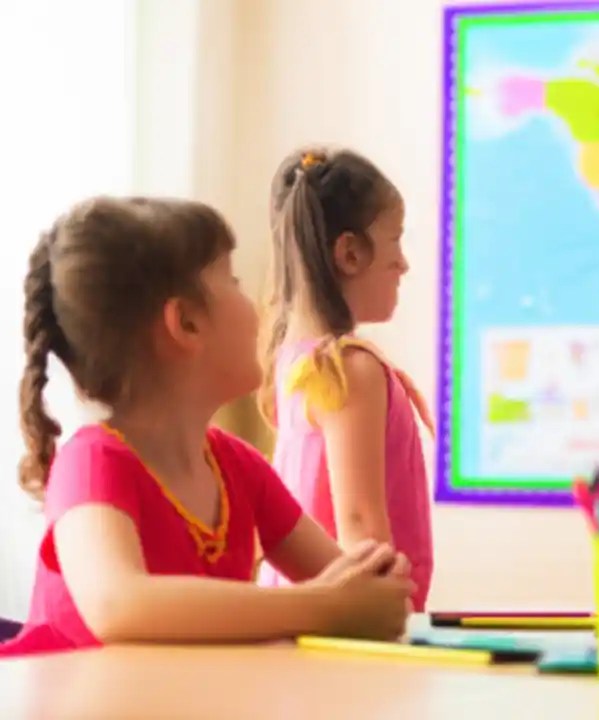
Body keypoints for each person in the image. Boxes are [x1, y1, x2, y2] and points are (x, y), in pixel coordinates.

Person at [0, 197, 412, 655]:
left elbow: (350, 587)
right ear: (187, 323)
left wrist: (368, 590)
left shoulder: (237, 466)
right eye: (232, 280)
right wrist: (321, 605)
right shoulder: (92, 462)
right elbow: (119, 606)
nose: (255, 304)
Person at [255, 147, 434, 611]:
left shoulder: (294, 357)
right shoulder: (350, 369)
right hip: (347, 627)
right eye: (396, 240)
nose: (404, 264)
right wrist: (385, 617)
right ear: (350, 253)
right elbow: (360, 525)